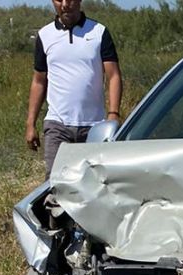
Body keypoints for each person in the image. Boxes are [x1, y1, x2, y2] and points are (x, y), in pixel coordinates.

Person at [25, 0, 123, 178]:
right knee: (55, 185)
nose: (64, 5)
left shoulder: (99, 32)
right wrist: (30, 123)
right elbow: (39, 81)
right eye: (58, 0)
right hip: (57, 125)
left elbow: (114, 75)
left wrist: (113, 115)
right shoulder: (45, 35)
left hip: (94, 127)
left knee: (94, 184)